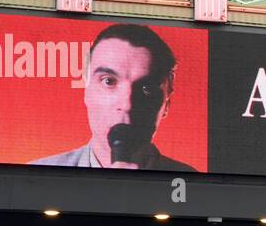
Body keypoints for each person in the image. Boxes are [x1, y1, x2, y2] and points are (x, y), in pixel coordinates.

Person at [31, 24, 195, 171]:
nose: (127, 104)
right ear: (86, 90)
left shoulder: (191, 185)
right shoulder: (38, 176)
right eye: (109, 81)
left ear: (167, 103)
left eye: (147, 88)